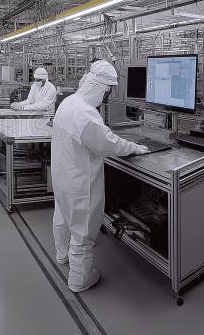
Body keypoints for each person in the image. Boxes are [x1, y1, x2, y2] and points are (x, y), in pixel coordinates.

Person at [51, 60, 148, 293]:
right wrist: (133, 148)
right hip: (79, 183)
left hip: (62, 176)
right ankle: (79, 279)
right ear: (100, 88)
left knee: (63, 216)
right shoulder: (85, 113)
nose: (107, 98)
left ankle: (62, 254)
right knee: (82, 229)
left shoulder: (68, 103)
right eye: (108, 92)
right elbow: (108, 143)